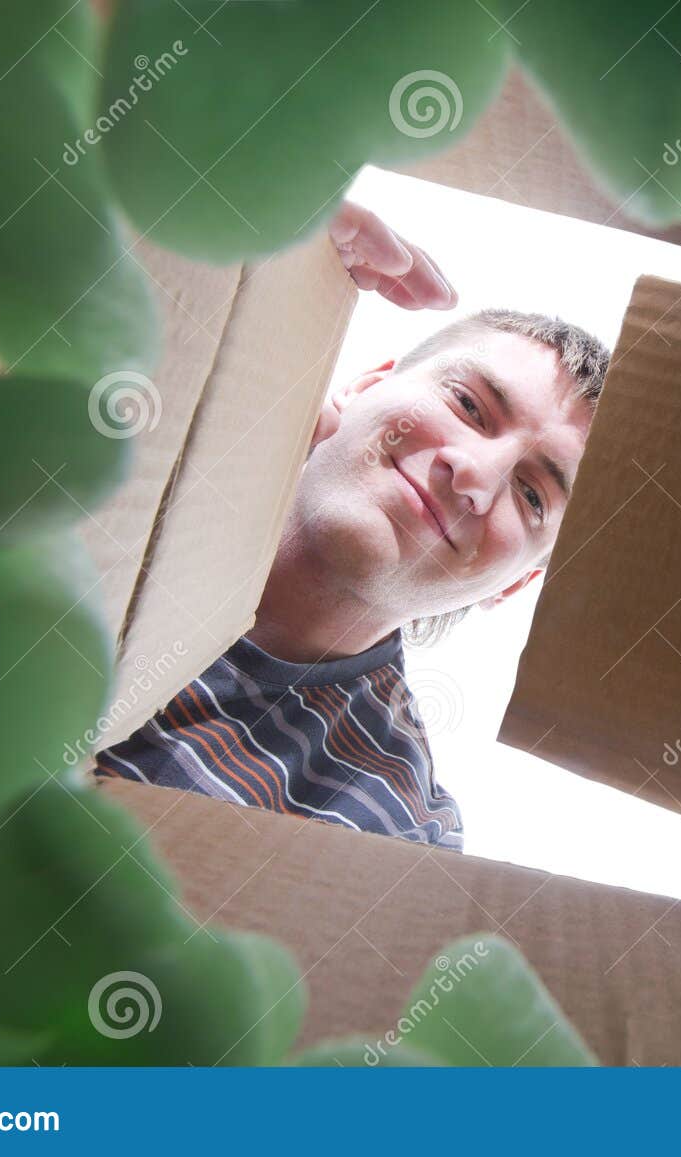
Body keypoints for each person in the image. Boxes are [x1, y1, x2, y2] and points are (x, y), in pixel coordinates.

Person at [94, 202, 611, 851]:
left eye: (533, 496)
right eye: (468, 404)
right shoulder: (129, 434)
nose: (475, 475)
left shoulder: (396, 831)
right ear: (364, 385)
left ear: (511, 587)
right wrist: (203, 249)